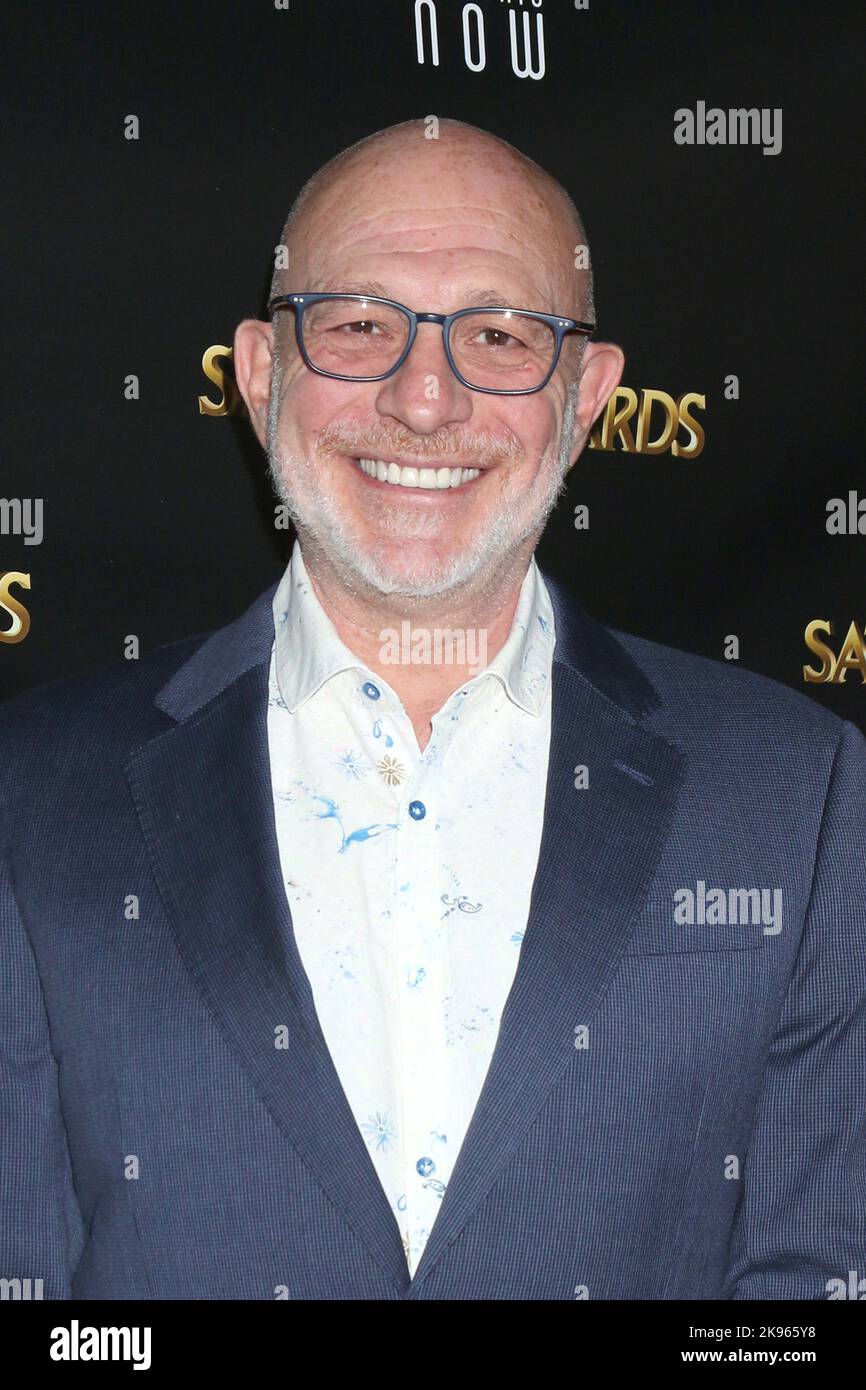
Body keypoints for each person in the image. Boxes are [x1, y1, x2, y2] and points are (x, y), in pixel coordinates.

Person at [1, 119, 863, 1301]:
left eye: (499, 336)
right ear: (261, 376)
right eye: (359, 325)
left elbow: (812, 1289)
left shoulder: (800, 793)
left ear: (587, 394)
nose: (421, 397)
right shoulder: (31, 793)